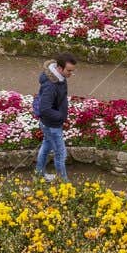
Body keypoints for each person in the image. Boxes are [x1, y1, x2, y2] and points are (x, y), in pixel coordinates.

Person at [34, 54, 76, 183]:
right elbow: (44, 109)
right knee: (60, 154)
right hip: (52, 125)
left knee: (46, 145)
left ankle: (39, 174)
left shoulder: (59, 78)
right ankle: (63, 183)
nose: (71, 74)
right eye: (69, 70)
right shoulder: (51, 86)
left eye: (72, 71)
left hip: (50, 124)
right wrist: (61, 117)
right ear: (59, 68)